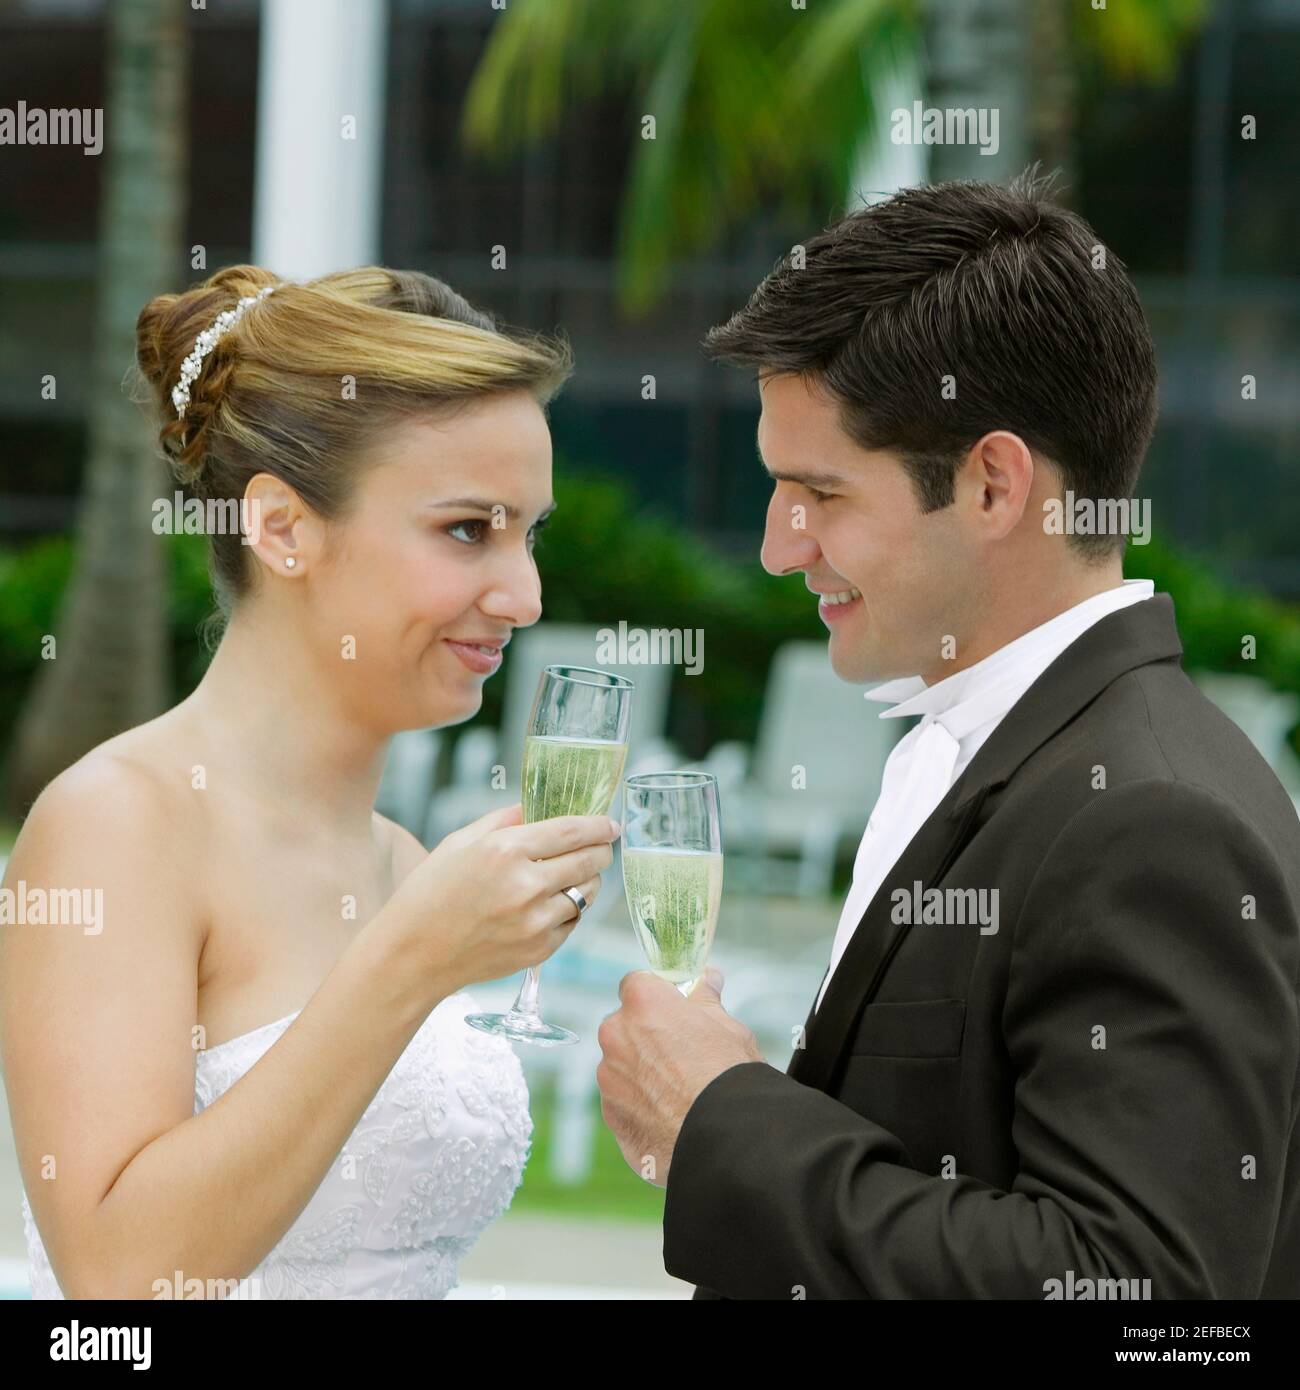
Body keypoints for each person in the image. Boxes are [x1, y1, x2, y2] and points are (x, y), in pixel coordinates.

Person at [594, 174, 1300, 1299]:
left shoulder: (1152, 818)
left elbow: (1139, 1293)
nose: (781, 548)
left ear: (990, 485)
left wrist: (719, 1122)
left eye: (818, 493)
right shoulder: (998, 742)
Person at [1, 264, 620, 1299]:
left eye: (530, 534)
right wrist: (412, 959)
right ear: (282, 527)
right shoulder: (116, 825)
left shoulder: (403, 858)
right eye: (469, 529)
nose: (522, 594)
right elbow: (117, 1279)